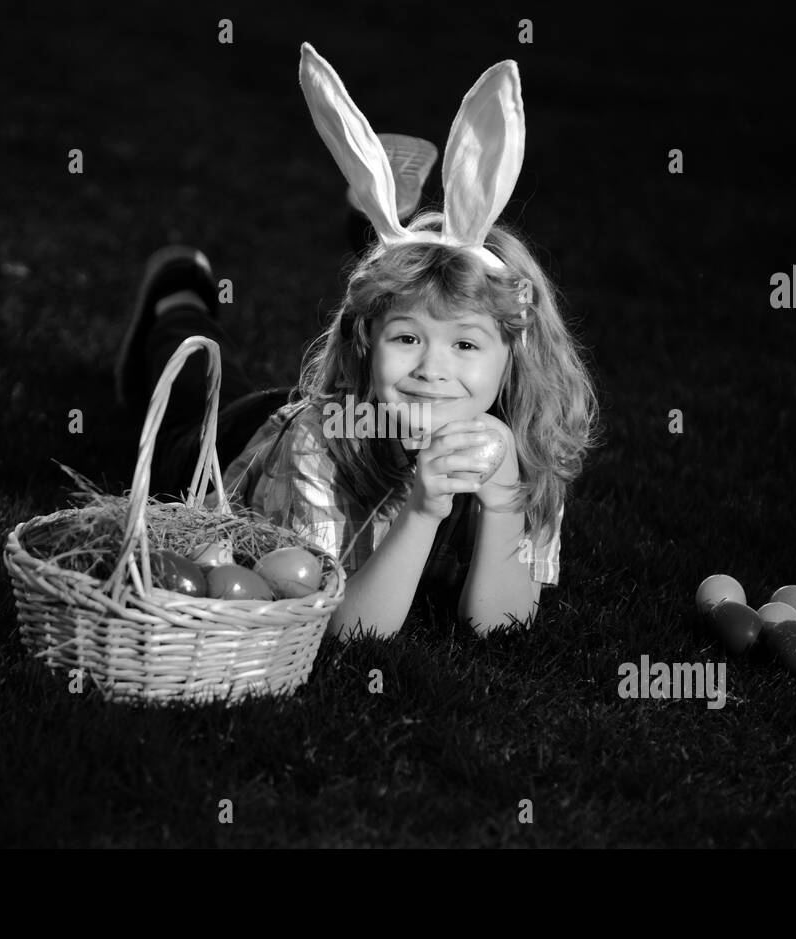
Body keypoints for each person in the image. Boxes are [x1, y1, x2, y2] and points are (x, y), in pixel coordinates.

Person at [113, 44, 599, 639]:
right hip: (230, 442)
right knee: (195, 385)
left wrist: (503, 501)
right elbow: (342, 630)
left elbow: (499, 626)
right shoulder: (324, 440)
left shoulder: (524, 442)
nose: (432, 370)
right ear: (367, 342)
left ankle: (378, 221)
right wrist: (422, 510)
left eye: (466, 346)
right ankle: (181, 292)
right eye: (406, 338)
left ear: (513, 356)